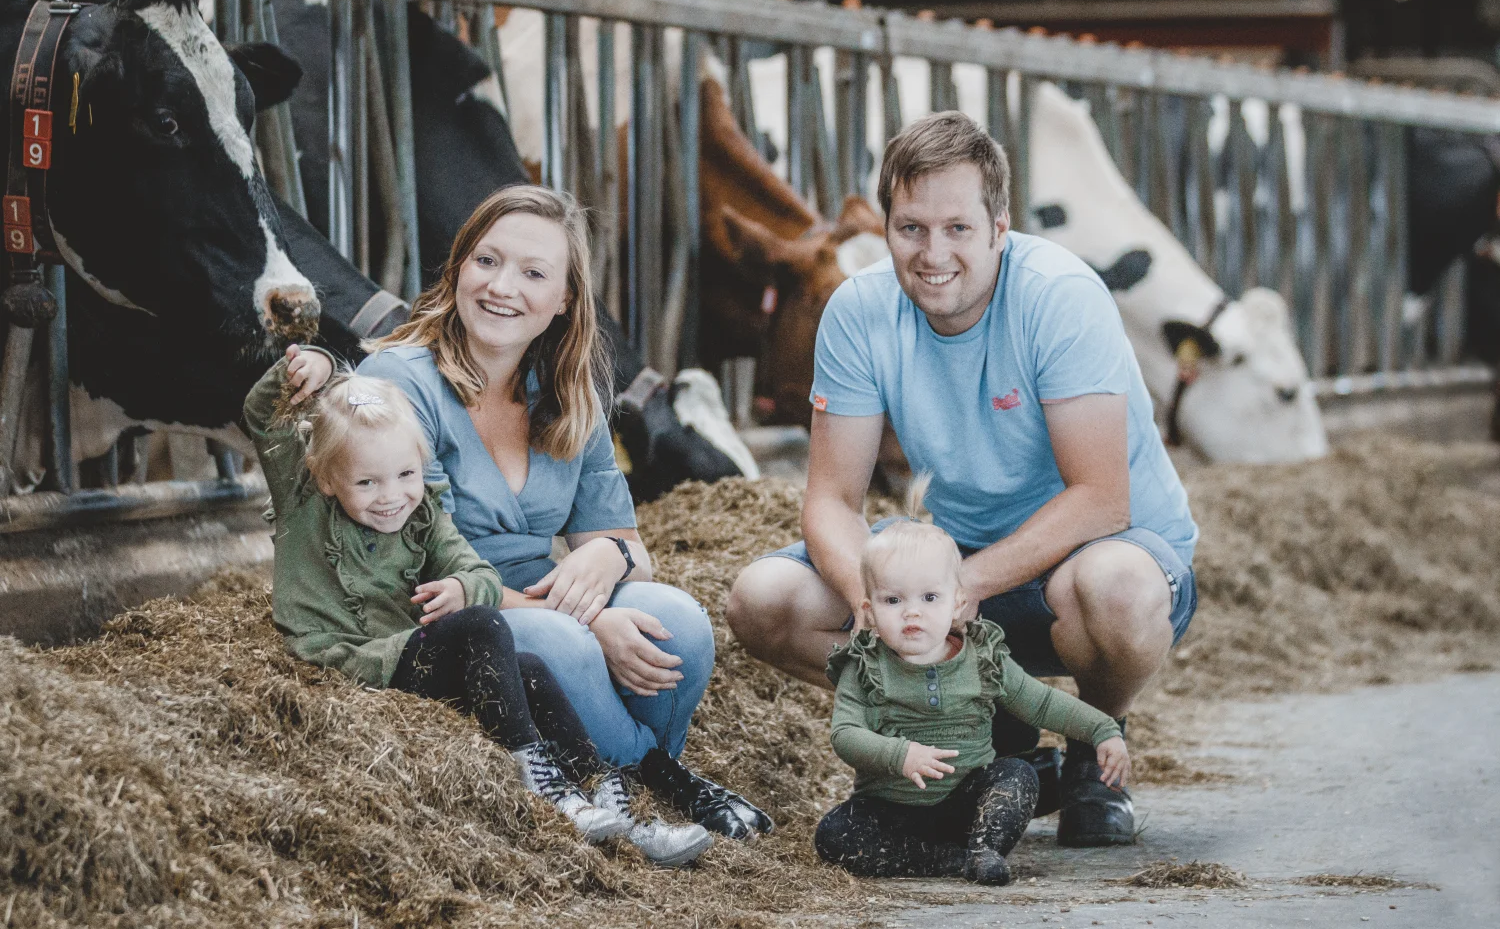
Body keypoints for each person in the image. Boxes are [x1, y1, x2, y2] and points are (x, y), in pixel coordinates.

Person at [728, 112, 1198, 847]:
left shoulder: (1059, 296)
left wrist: (962, 589)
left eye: (957, 229)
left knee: (1118, 593)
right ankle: (974, 720)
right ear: (885, 225)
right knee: (764, 601)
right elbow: (830, 500)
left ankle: (1088, 755)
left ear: (999, 228)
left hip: (1099, 550)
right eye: (910, 228)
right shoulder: (859, 310)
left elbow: (1101, 499)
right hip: (956, 558)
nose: (932, 253)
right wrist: (868, 600)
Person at [357, 184, 770, 839]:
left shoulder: (570, 391)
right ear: (458, 268)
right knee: (568, 643)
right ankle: (660, 782)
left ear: (565, 300)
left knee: (680, 624)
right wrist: (588, 617)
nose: (502, 287)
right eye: (486, 261)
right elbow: (414, 567)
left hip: (546, 600)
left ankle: (614, 784)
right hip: (449, 613)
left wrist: (609, 554)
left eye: (533, 273)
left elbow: (625, 540)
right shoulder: (401, 382)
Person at [244, 344, 713, 866]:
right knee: (481, 628)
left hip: (405, 655)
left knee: (528, 666)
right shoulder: (305, 500)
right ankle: (539, 782)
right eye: (366, 482)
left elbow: (477, 573)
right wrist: (319, 362)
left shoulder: (421, 516)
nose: (390, 496)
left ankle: (609, 800)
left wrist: (465, 588)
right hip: (345, 654)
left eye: (405, 475)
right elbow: (263, 415)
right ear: (326, 477)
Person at [816, 481, 1128, 884]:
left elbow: (1042, 703)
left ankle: (985, 848)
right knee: (835, 835)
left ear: (957, 604)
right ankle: (944, 861)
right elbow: (845, 734)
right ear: (869, 610)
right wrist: (900, 755)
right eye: (893, 601)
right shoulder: (864, 666)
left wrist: (1102, 730)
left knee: (1017, 775)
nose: (912, 613)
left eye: (929, 598)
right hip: (892, 807)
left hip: (969, 800)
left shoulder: (982, 657)